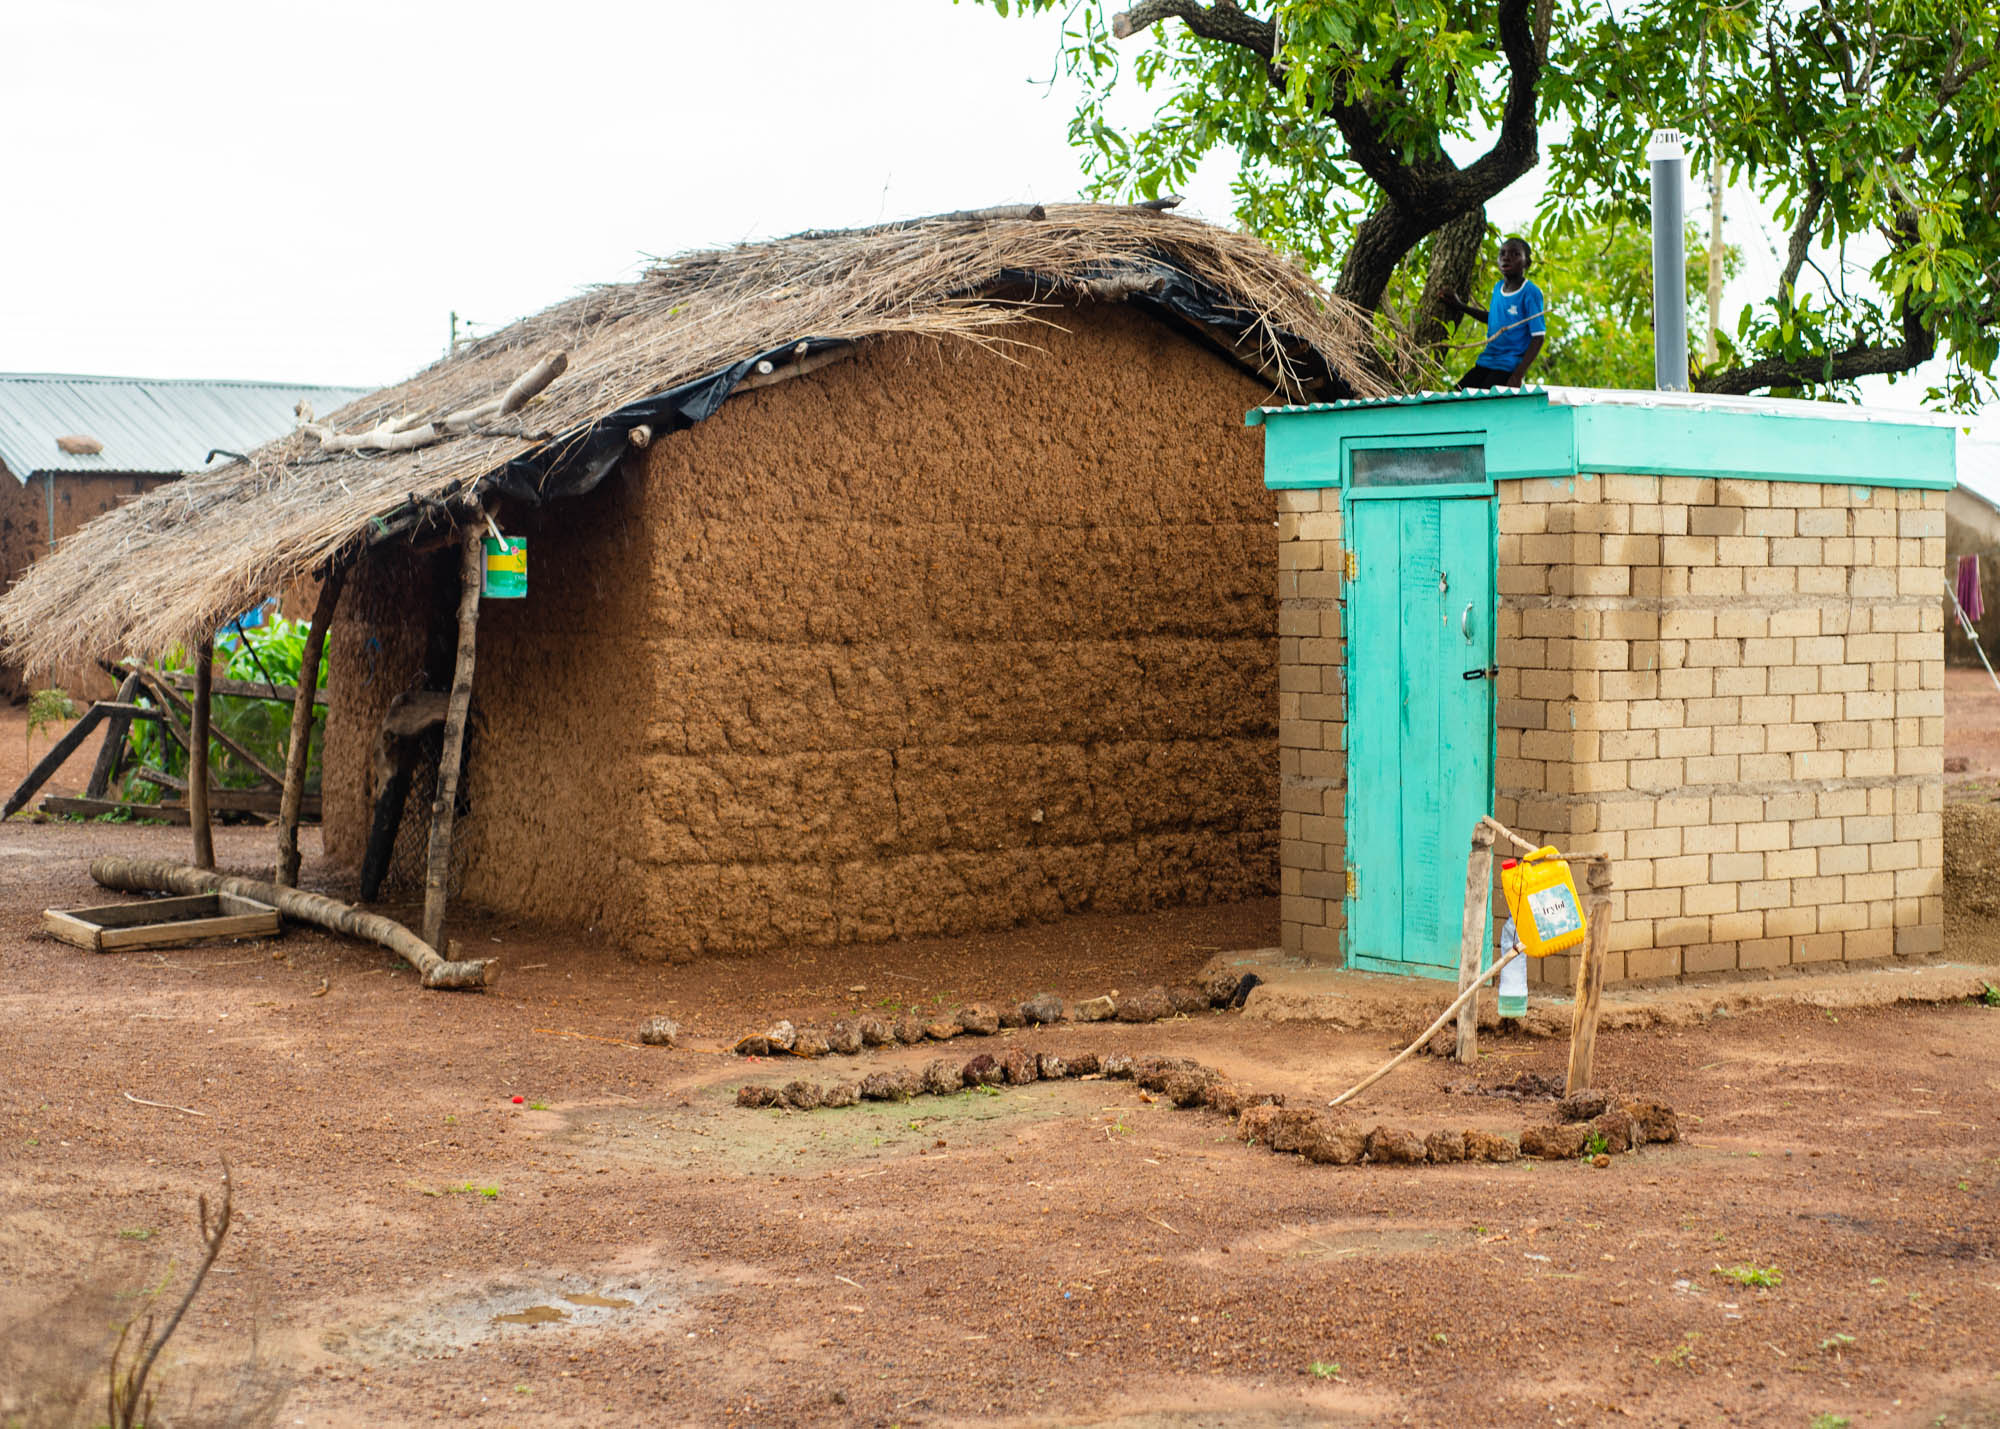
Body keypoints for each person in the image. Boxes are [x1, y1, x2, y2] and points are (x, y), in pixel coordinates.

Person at [1450, 237, 1545, 389]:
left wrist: (1518, 374)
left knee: (1484, 404)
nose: (1506, 257)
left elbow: (1538, 337)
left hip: (1508, 366)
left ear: (1527, 263)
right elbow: (1494, 319)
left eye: (1515, 254)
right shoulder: (1498, 288)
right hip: (1487, 361)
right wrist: (1460, 306)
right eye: (1502, 253)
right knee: (1457, 395)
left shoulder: (1530, 292)